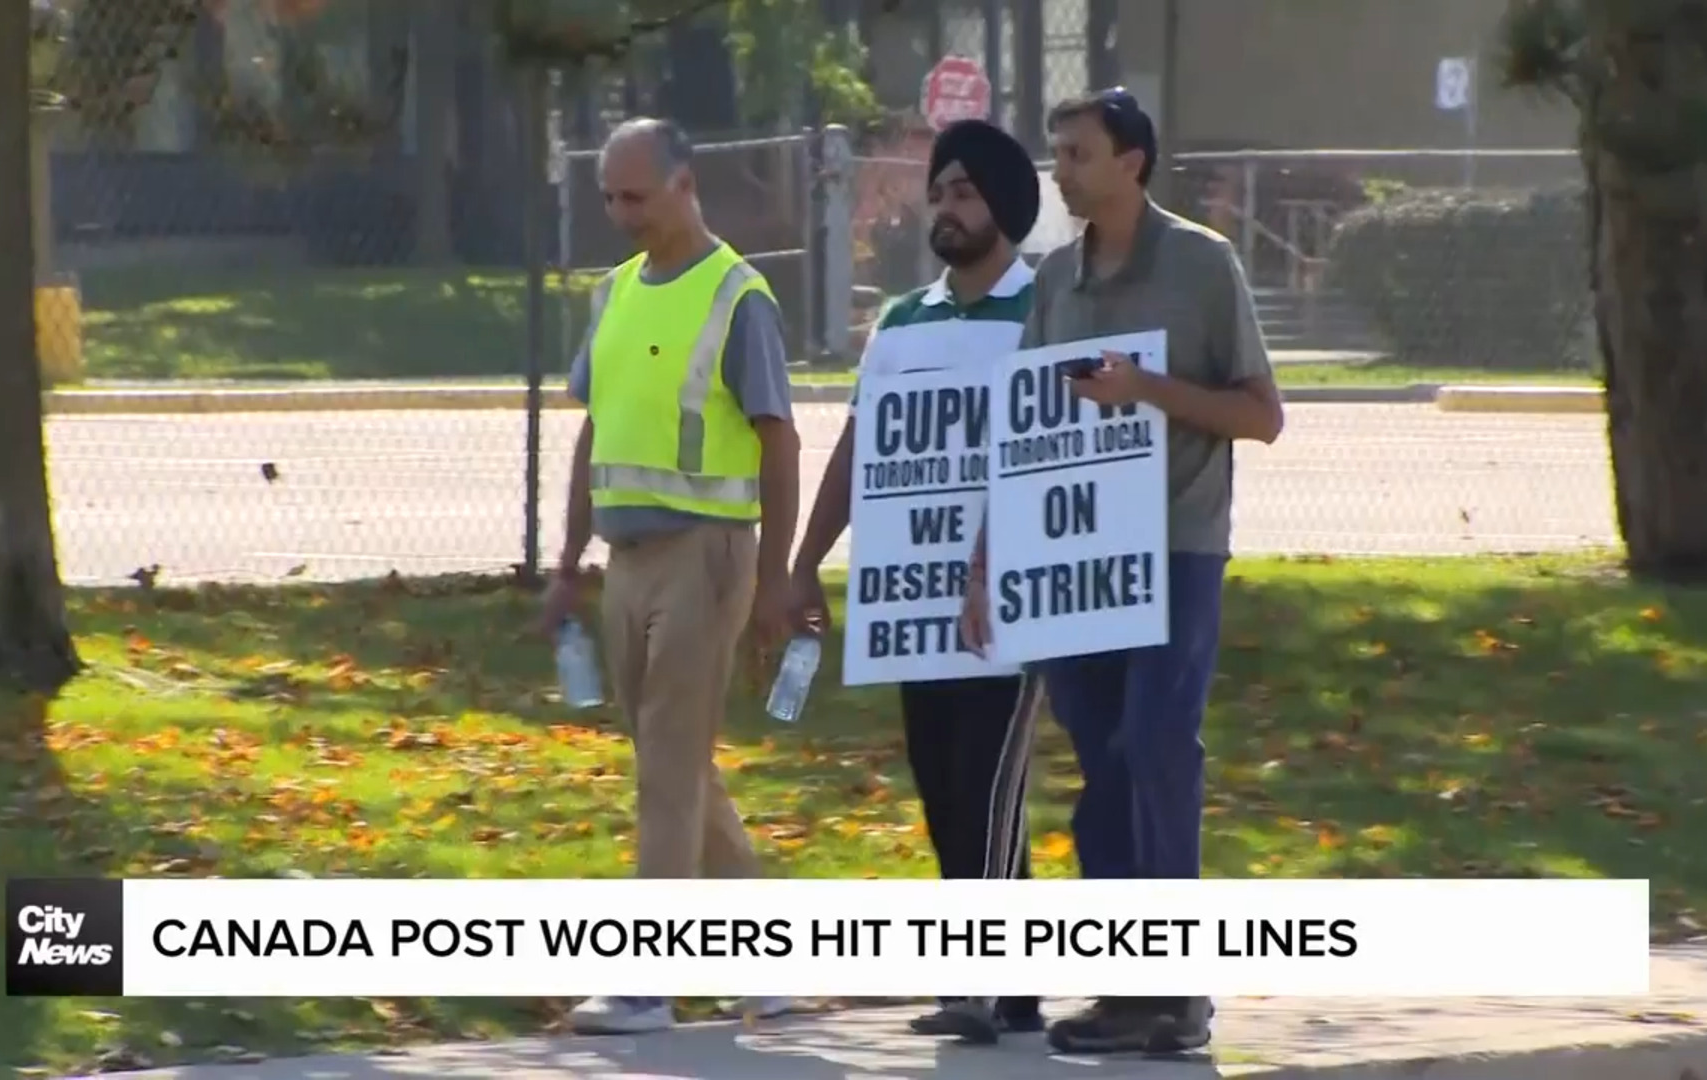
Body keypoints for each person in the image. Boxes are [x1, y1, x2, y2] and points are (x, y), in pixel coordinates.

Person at [960, 88, 1285, 1056]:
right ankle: (1121, 991)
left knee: (1154, 744)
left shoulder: (1201, 264)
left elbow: (1261, 414)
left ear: (1131, 162)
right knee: (1101, 764)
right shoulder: (1055, 280)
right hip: (1073, 562)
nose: (1059, 170)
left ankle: (1178, 991)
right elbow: (1020, 433)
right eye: (1056, 152)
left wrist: (1146, 391)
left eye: (1077, 153)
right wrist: (986, 561)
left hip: (1174, 548)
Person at [539, 117, 801, 1036]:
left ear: (685, 185)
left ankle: (649, 981)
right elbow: (593, 432)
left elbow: (779, 439)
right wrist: (568, 564)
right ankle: (766, 966)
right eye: (608, 195)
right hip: (626, 561)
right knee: (671, 760)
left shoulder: (739, 298)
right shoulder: (612, 295)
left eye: (634, 196)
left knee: (667, 766)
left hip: (708, 556)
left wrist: (777, 579)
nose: (618, 213)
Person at [790, 118, 1046, 1046]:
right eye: (938, 192)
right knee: (944, 785)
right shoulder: (900, 322)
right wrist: (804, 561)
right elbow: (862, 447)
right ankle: (1016, 985)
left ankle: (976, 981)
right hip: (912, 602)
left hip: (1012, 608)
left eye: (966, 192)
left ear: (1006, 207)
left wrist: (994, 557)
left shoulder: (1044, 309)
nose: (945, 207)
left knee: (987, 785)